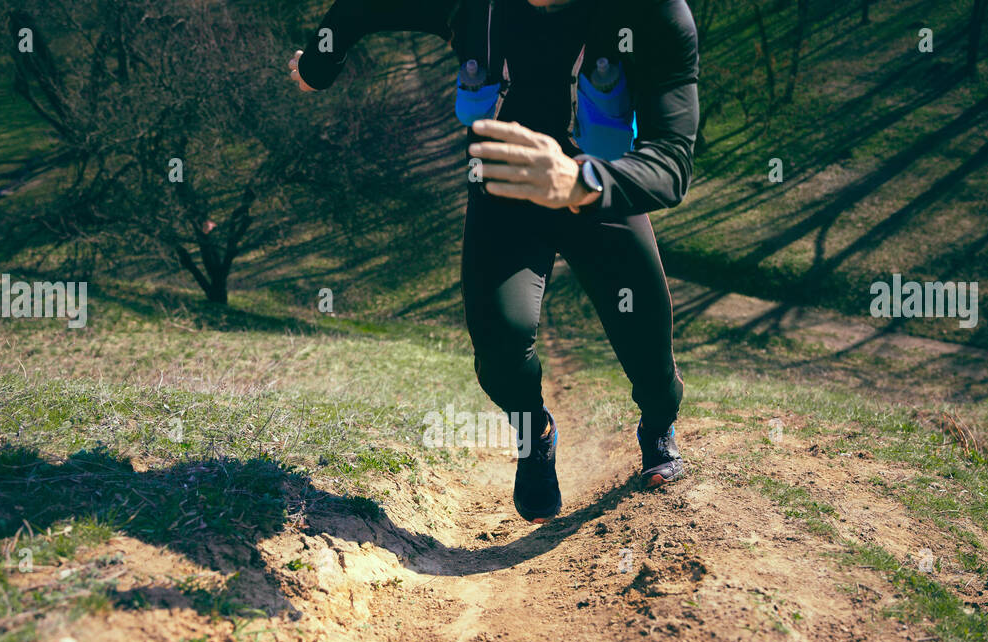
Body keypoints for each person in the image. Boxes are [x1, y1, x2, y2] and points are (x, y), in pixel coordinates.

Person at [291, 0, 699, 522]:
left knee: (648, 345)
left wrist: (581, 182)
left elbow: (672, 159)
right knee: (500, 343)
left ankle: (658, 425)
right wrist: (316, 67)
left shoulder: (651, 12)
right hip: (504, 194)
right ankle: (537, 436)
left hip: (601, 191)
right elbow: (361, 7)